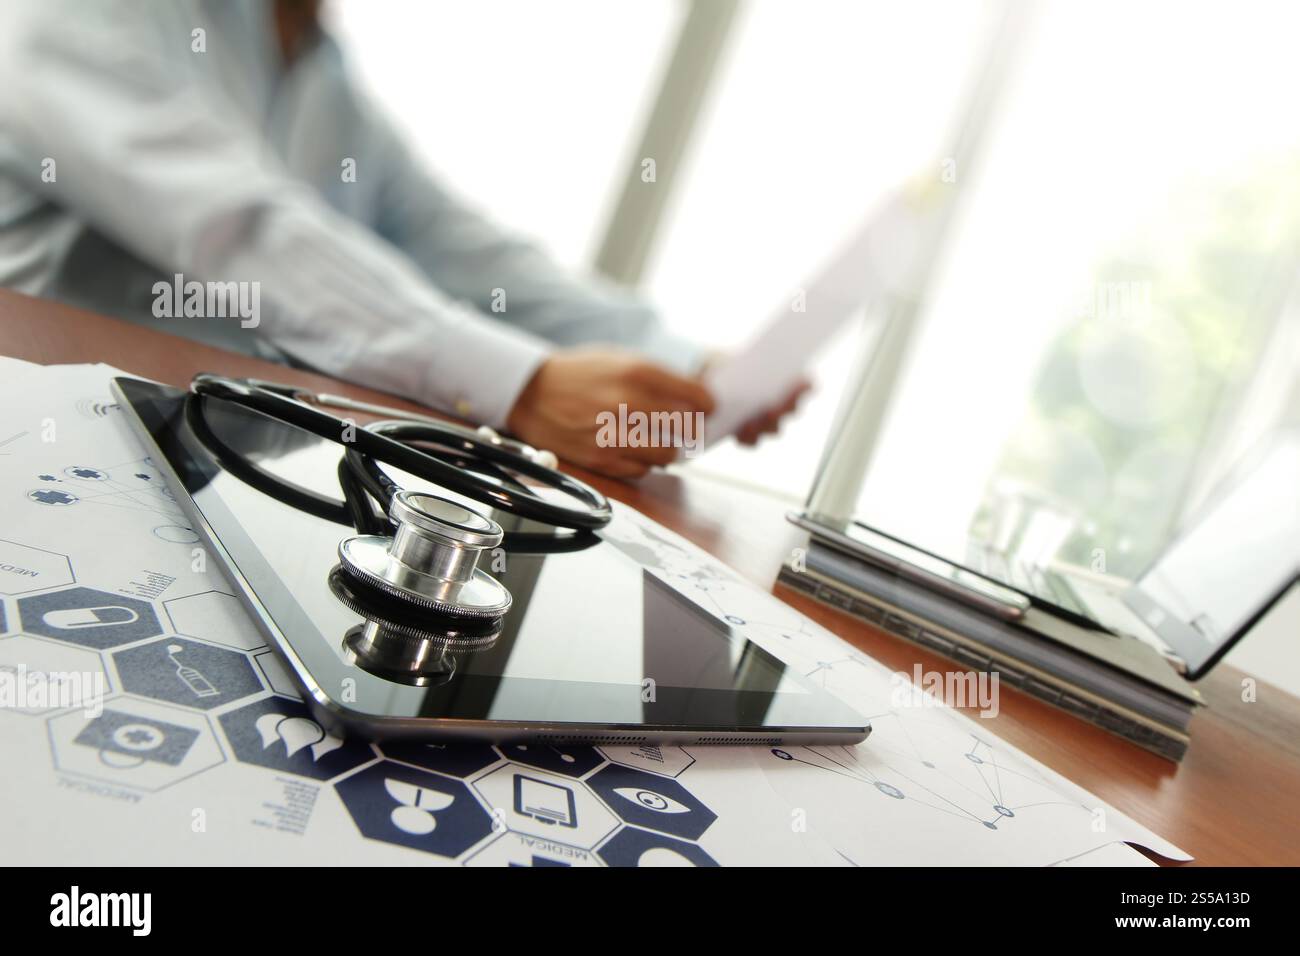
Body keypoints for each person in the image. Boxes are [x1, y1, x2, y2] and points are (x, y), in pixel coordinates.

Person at [0, 0, 800, 478]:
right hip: (48, 467)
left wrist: (682, 364)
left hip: (203, 477)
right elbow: (241, 228)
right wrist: (520, 387)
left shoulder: (319, 68)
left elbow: (462, 249)